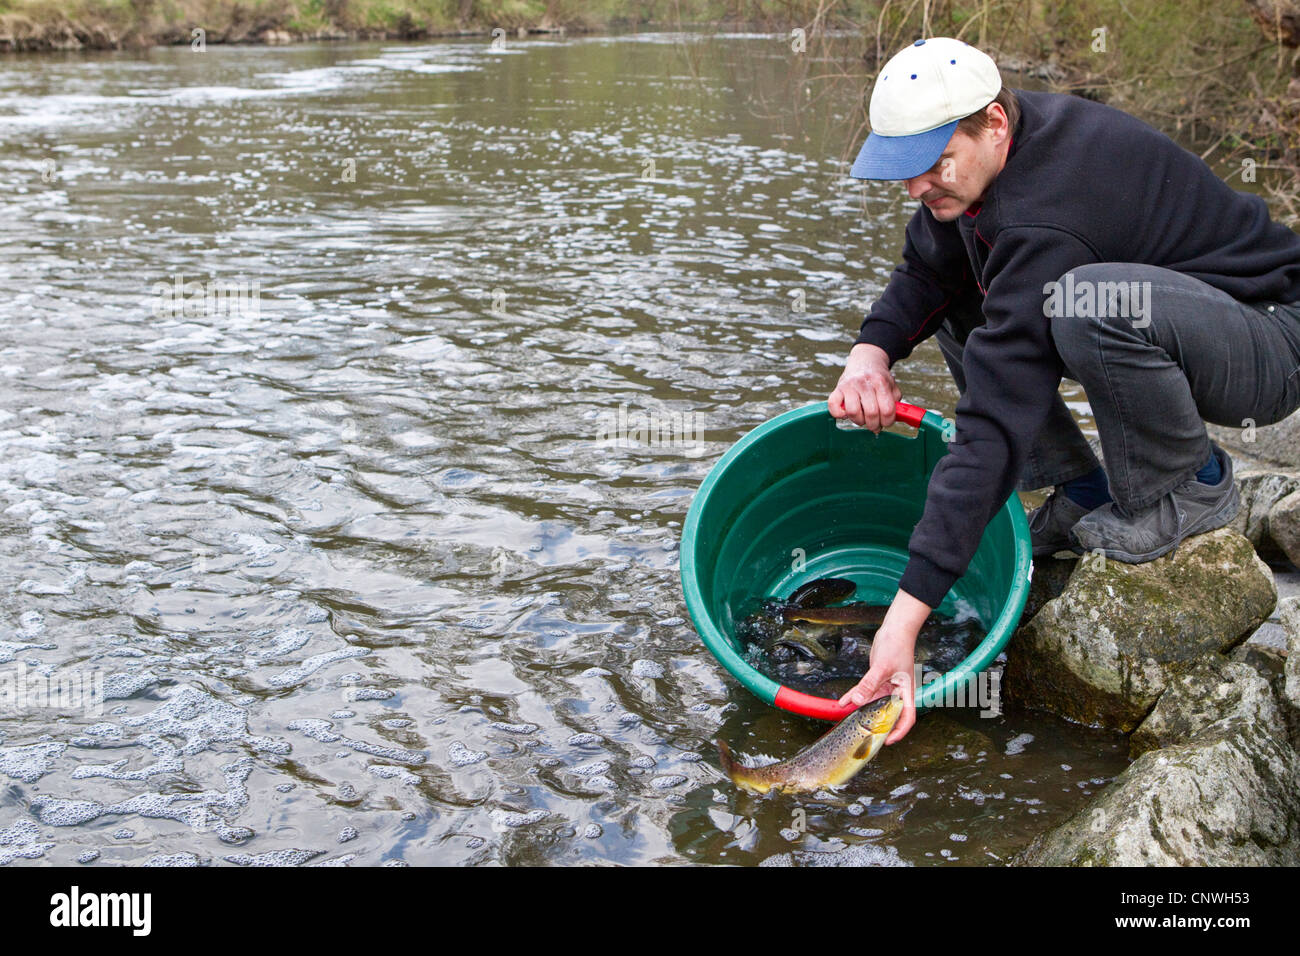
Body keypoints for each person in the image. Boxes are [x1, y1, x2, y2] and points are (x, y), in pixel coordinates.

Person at [829, 36, 1300, 745]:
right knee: (978, 296)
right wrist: (870, 354)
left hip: (1269, 338)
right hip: (1189, 317)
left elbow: (990, 421)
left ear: (993, 123)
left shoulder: (1048, 211)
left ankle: (1194, 489)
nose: (917, 188)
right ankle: (1079, 488)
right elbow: (928, 275)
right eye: (904, 172)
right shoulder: (989, 164)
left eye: (932, 165)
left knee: (1085, 303)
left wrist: (903, 623)